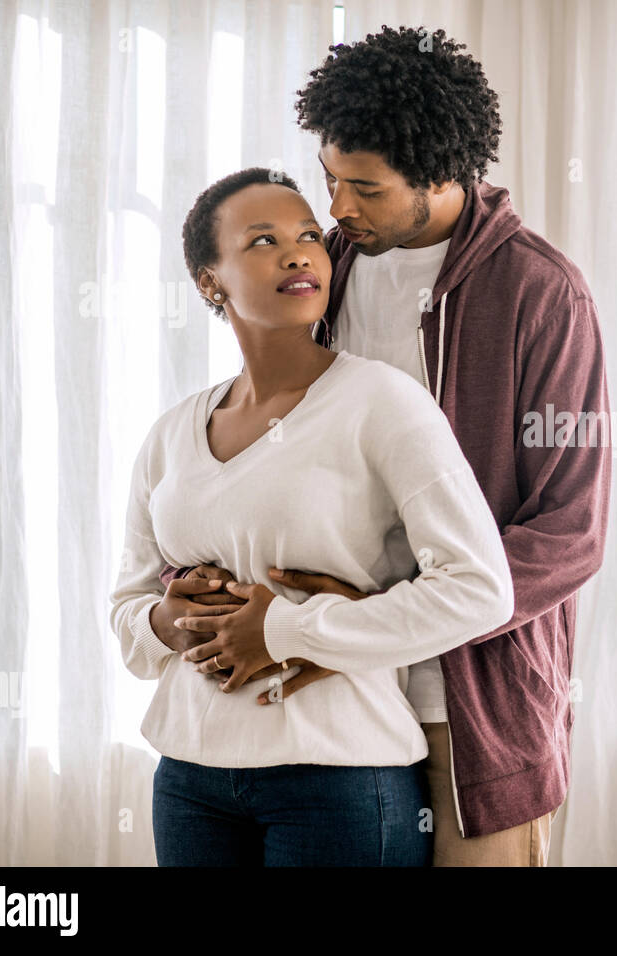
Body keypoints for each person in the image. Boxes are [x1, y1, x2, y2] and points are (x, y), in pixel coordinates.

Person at [158, 25, 613, 867]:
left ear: (440, 174)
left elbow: (571, 531)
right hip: (331, 707)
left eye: (362, 188)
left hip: (469, 707)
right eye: (330, 180)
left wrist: (371, 614)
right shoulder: (325, 270)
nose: (335, 210)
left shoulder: (541, 294)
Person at [109, 166, 513, 866]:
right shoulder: (171, 432)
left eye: (307, 237)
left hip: (341, 780)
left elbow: (479, 588)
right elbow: (128, 604)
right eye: (263, 240)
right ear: (210, 280)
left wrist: (289, 630)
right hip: (188, 778)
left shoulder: (383, 403)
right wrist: (165, 623)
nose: (298, 254)